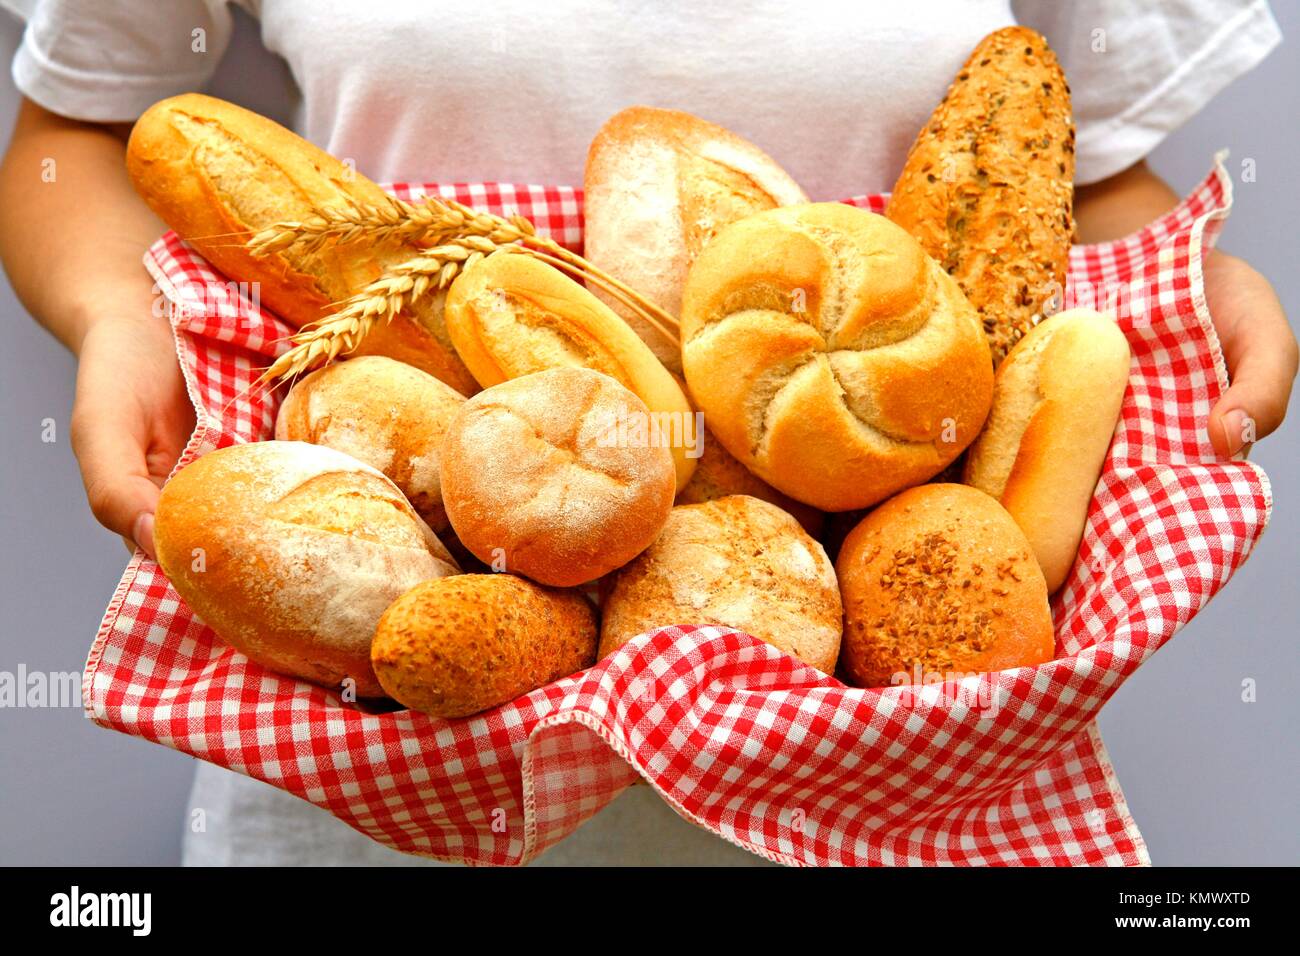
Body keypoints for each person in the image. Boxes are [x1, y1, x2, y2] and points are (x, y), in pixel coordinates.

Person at [0, 0, 1294, 866]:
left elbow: (1090, 170)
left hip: (911, 760)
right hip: (404, 765)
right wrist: (119, 311)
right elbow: (82, 130)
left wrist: (1172, 287)